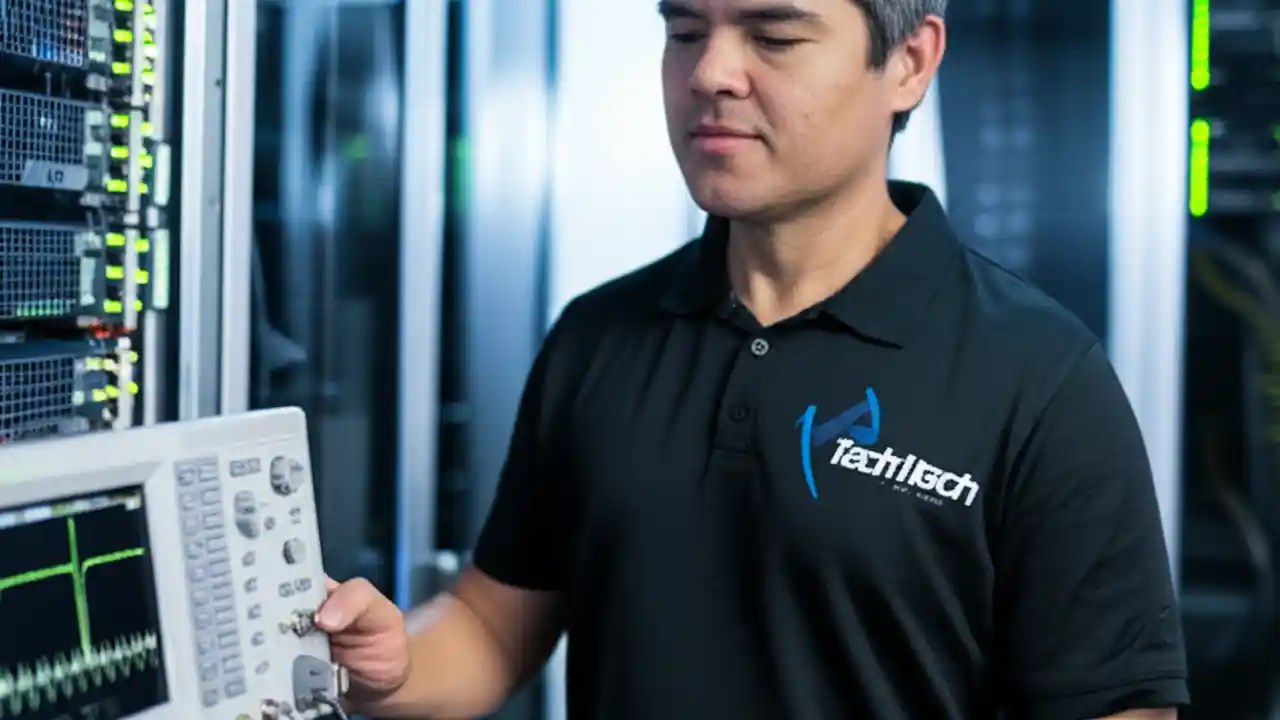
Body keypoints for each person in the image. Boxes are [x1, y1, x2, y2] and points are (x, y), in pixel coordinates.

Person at [317, 0, 1190, 717]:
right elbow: (492, 625)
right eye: (685, 31)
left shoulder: (1038, 375)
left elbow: (1118, 707)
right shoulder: (598, 336)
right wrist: (391, 662)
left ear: (910, 62)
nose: (709, 74)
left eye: (773, 36)